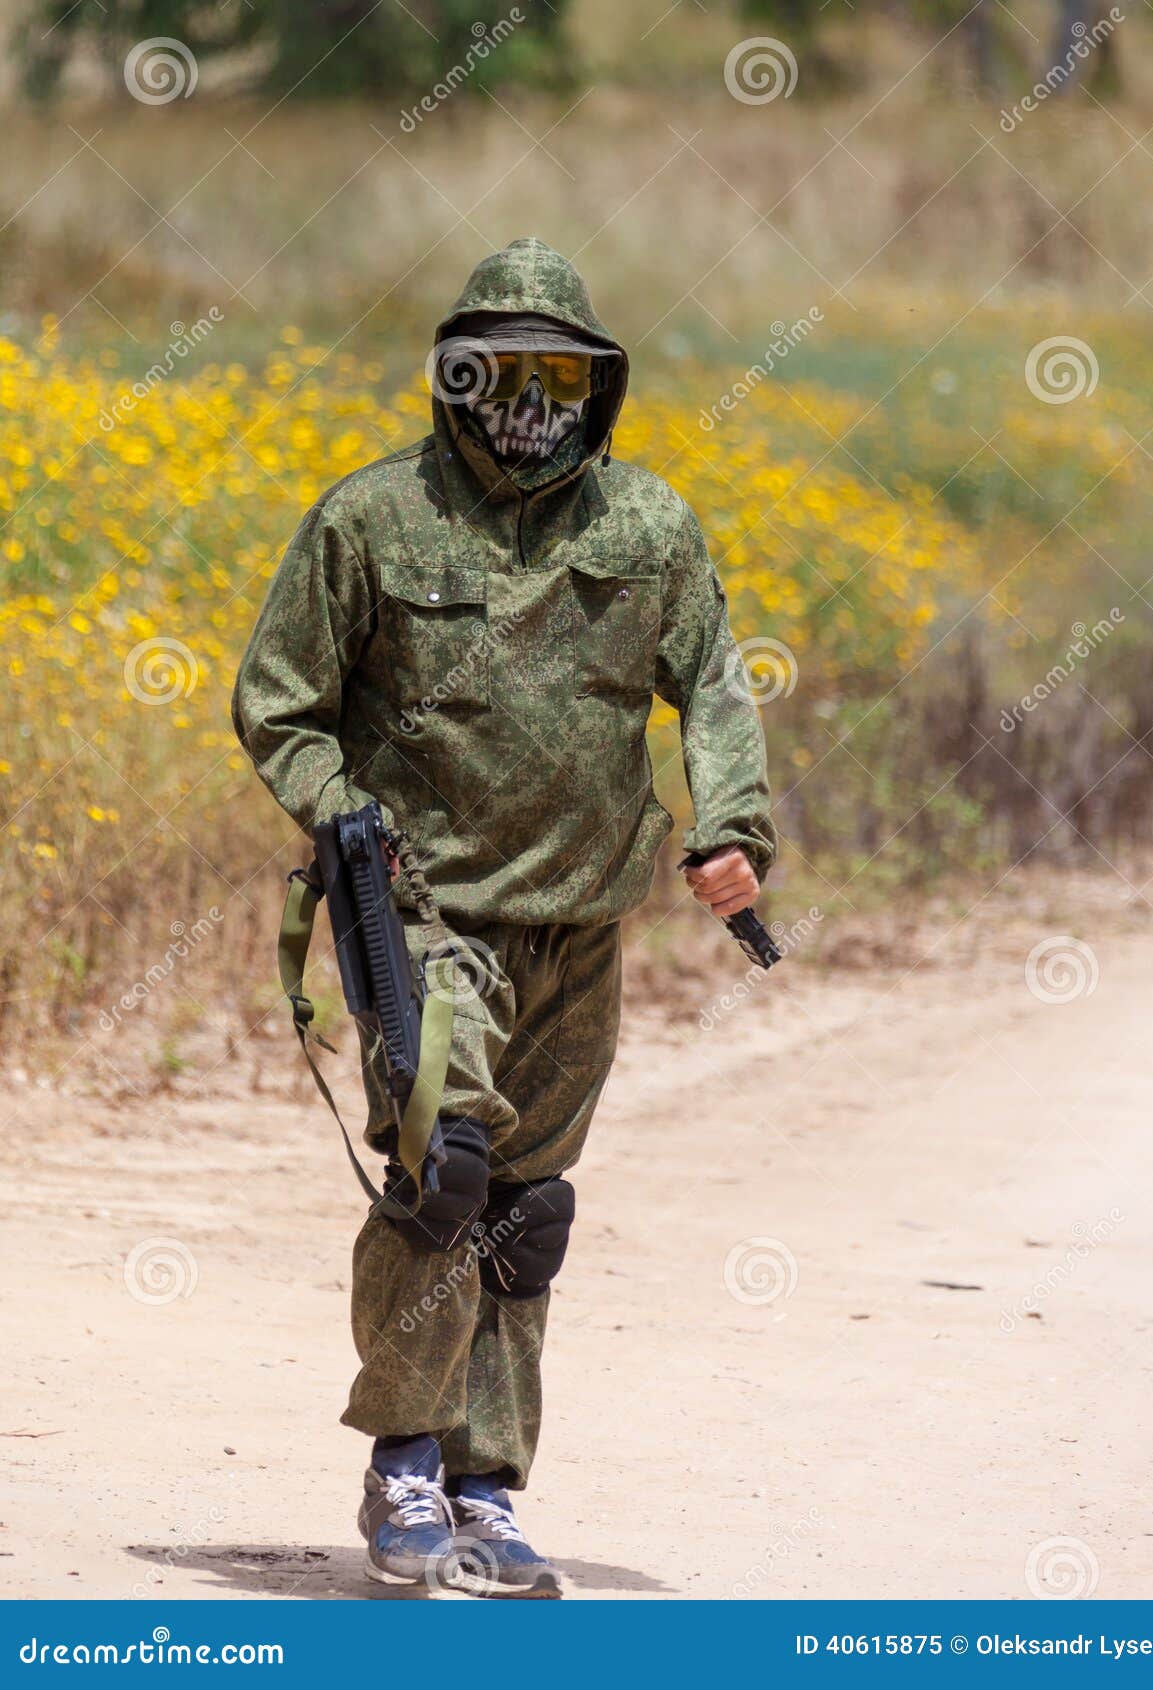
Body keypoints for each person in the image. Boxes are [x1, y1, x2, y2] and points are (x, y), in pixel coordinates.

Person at [232, 237, 775, 1598]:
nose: (528, 401)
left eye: (559, 374)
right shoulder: (371, 519)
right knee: (446, 1174)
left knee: (525, 1210)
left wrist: (730, 825)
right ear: (450, 378)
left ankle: (485, 1486)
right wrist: (343, 813)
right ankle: (404, 1457)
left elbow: (712, 684)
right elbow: (279, 700)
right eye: (498, 372)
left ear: (601, 388)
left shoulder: (647, 527)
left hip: (579, 920)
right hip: (423, 913)